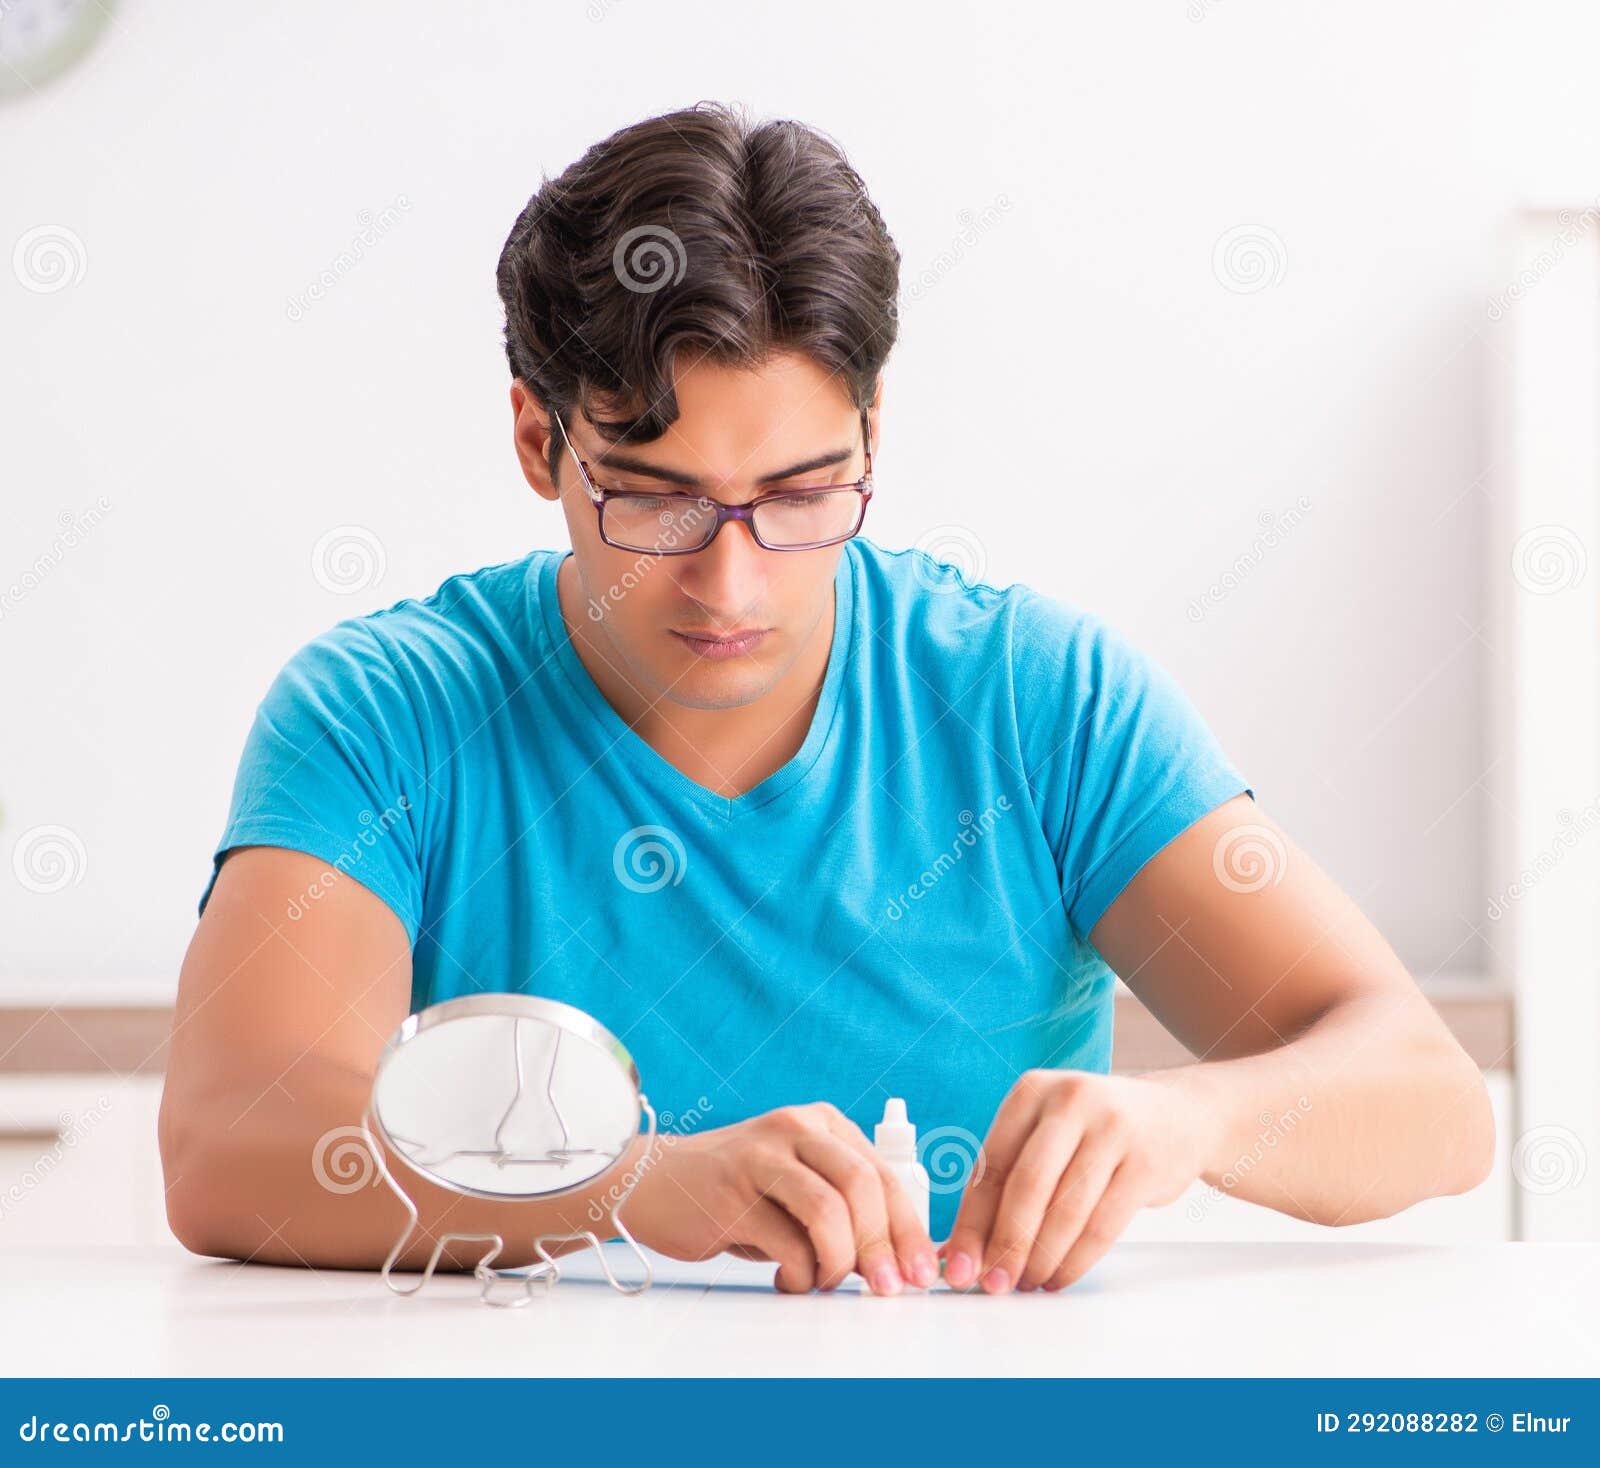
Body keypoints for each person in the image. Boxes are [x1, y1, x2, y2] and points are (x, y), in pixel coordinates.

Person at [158, 101, 1493, 1296]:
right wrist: (631, 1186)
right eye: (658, 498)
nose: (732, 582)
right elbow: (232, 1142)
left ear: (873, 439)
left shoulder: (1041, 702)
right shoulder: (386, 713)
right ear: (536, 440)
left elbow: (1429, 1099)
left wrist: (1186, 1125)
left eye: (802, 496)